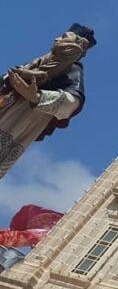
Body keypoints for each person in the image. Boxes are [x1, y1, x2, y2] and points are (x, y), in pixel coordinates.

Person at [0, 24, 96, 180]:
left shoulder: (72, 70)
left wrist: (36, 97)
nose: (57, 39)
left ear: (77, 45)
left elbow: (72, 103)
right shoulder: (41, 61)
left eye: (64, 37)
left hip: (18, 122)